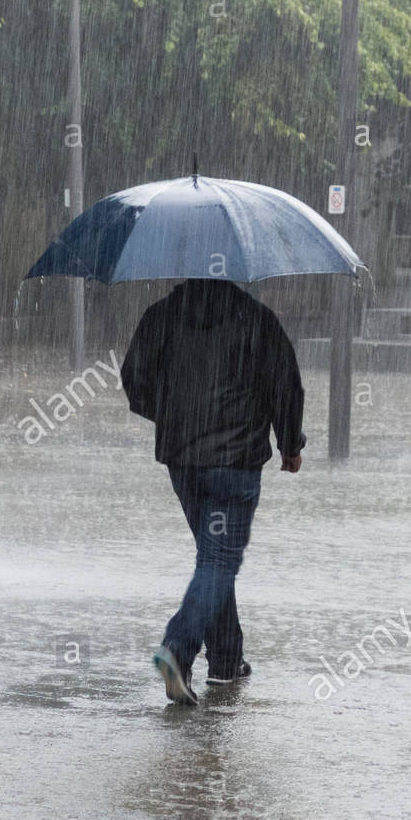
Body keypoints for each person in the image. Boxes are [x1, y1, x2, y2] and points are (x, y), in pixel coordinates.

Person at [122, 277, 305, 706]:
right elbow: (286, 386)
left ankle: (226, 659)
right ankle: (178, 648)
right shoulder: (257, 319)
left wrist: (172, 416)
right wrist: (290, 444)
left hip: (183, 461)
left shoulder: (161, 315)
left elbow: (134, 379)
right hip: (236, 462)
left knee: (213, 559)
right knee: (219, 560)